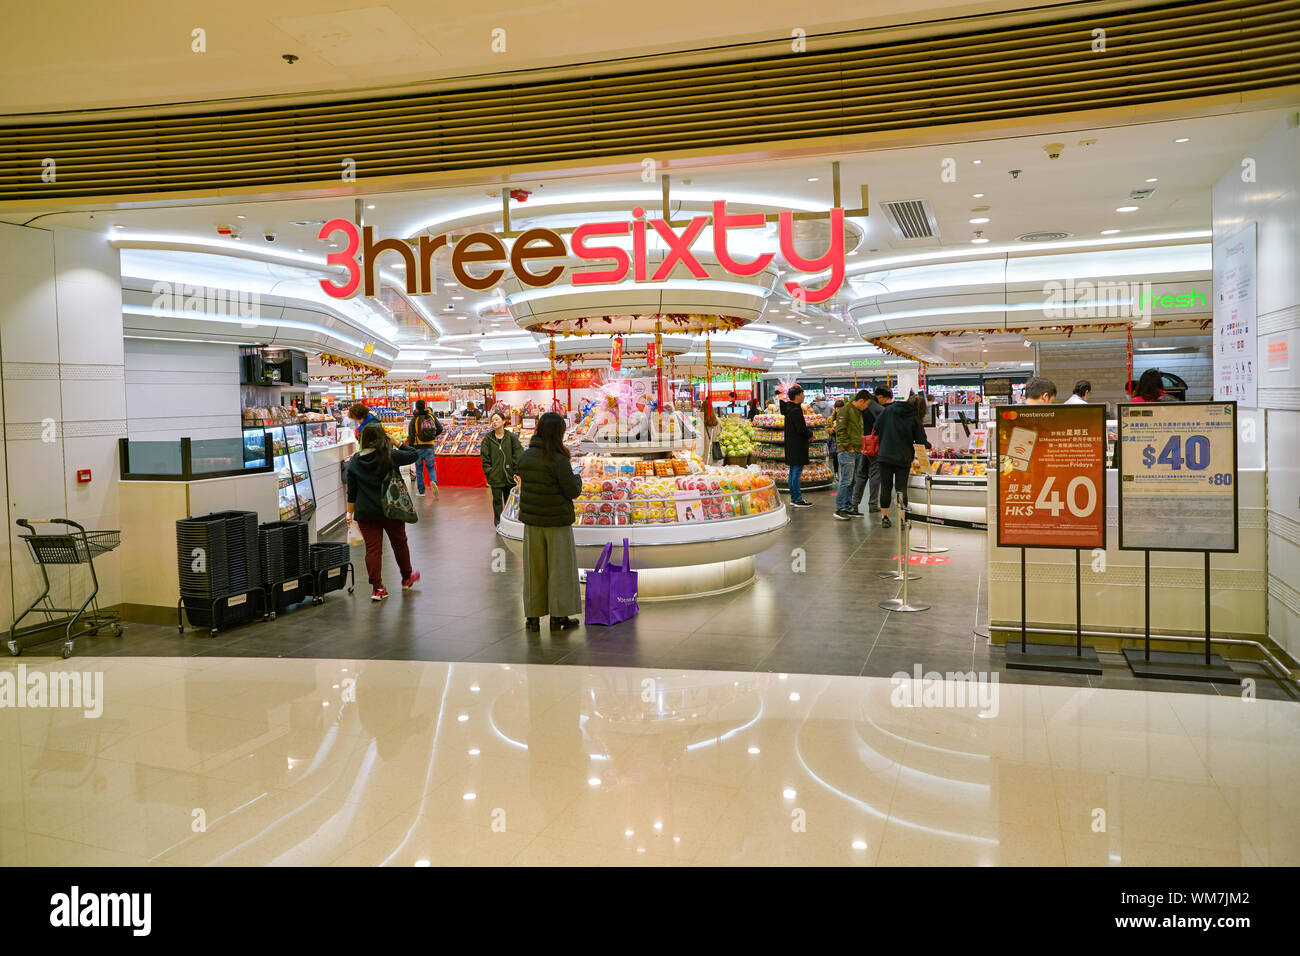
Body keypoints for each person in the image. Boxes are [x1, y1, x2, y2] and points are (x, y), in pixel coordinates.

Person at [514, 411, 583, 631]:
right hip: (556, 521)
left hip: (532, 522)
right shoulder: (558, 459)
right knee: (559, 568)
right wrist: (578, 479)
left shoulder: (526, 456)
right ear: (557, 433)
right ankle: (558, 615)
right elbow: (571, 491)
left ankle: (532, 617)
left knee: (534, 570)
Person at [346, 423, 420, 601]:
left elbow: (352, 490)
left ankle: (377, 588)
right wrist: (396, 442)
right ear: (382, 438)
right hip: (391, 509)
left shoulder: (355, 460)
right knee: (399, 543)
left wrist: (349, 514)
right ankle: (406, 578)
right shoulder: (390, 456)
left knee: (372, 549)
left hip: (366, 512)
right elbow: (414, 454)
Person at [872, 392, 931, 529]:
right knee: (901, 488)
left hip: (884, 455)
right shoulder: (915, 417)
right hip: (903, 458)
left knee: (886, 487)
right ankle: (903, 519)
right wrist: (929, 446)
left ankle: (885, 518)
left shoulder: (889, 409)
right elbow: (921, 440)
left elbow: (876, 426)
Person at [480, 410, 524, 526]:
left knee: (511, 501)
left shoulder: (512, 437)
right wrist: (489, 472)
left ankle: (511, 522)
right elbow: (485, 458)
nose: (494, 422)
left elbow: (518, 454)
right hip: (495, 477)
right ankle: (499, 523)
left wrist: (517, 471)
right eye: (492, 420)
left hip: (511, 476)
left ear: (504, 421)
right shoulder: (487, 439)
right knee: (497, 501)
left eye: (497, 419)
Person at [833, 389, 870, 519]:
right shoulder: (845, 410)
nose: (866, 407)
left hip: (857, 450)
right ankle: (840, 509)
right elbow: (840, 430)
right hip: (847, 451)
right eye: (866, 404)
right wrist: (848, 446)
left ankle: (848, 507)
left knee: (853, 481)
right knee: (846, 481)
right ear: (861, 401)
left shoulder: (857, 412)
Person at [852, 386, 889, 514]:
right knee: (875, 475)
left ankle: (854, 503)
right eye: (886, 399)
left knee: (861, 475)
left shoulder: (861, 407)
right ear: (880, 397)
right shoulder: (879, 409)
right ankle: (873, 504)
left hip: (863, 444)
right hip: (875, 446)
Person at [781, 385, 814, 508]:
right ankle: (797, 499)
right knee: (796, 472)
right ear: (797, 396)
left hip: (791, 444)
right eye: (802, 394)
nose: (804, 396)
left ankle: (795, 497)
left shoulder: (789, 409)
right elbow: (800, 429)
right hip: (797, 445)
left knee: (793, 471)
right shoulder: (795, 410)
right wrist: (810, 434)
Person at [406, 399, 442, 498]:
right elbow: (440, 428)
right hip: (430, 447)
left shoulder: (415, 419)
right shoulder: (431, 416)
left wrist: (410, 448)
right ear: (425, 406)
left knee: (419, 470)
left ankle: (421, 491)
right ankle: (434, 482)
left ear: (416, 408)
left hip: (418, 448)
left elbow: (411, 435)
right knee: (431, 468)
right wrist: (432, 437)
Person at [697, 400, 723, 465]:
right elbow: (719, 432)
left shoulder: (698, 420)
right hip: (714, 451)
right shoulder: (717, 420)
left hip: (702, 451)